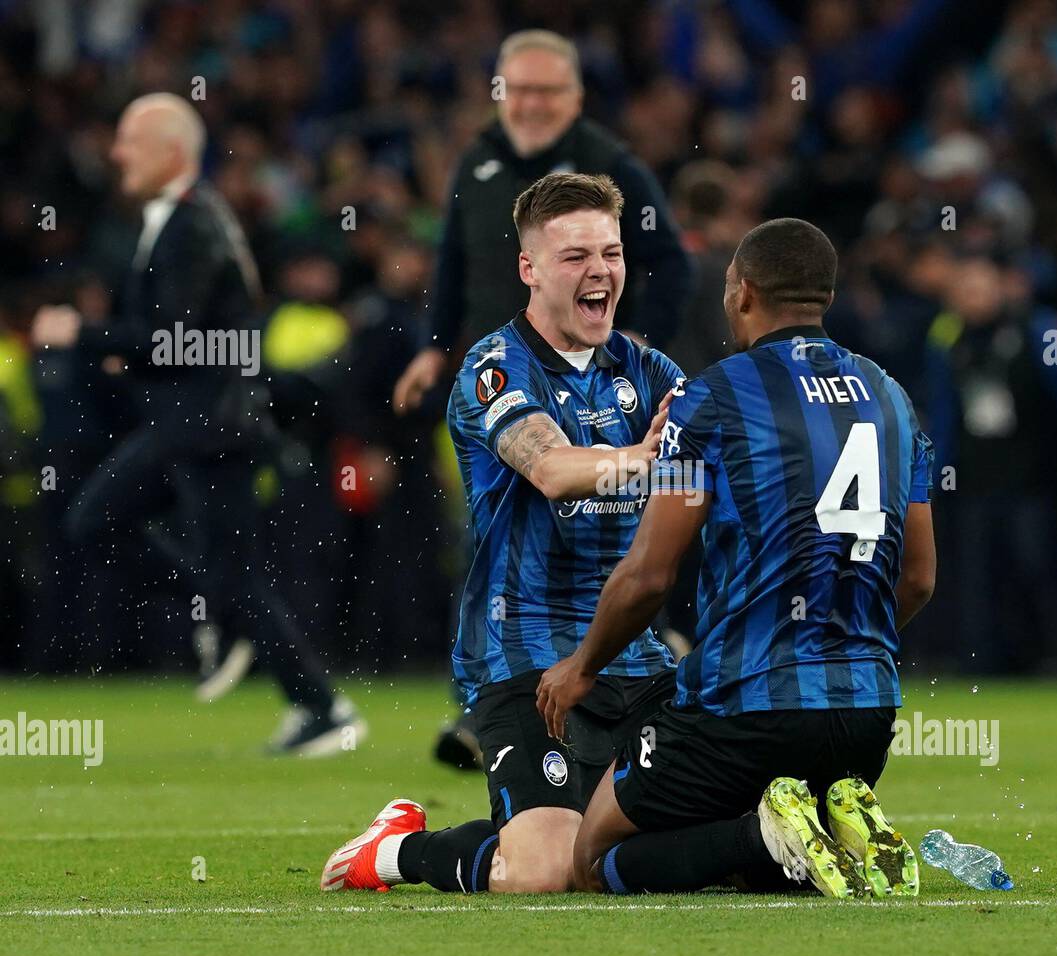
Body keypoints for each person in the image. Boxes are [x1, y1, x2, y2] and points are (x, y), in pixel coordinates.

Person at [535, 218, 936, 898]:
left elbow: (648, 576)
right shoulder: (892, 397)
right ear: (826, 297)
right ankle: (827, 830)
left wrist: (581, 667)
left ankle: (764, 834)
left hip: (747, 704)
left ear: (743, 293)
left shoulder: (708, 399)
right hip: (867, 719)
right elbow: (920, 578)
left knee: (594, 858)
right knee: (753, 864)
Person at [321, 173, 685, 894]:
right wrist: (646, 459)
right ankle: (398, 851)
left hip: (636, 656)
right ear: (530, 269)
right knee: (547, 874)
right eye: (575, 255)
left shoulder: (649, 371)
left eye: (610, 254)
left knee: (687, 843)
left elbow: (701, 491)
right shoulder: (495, 367)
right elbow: (550, 469)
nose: (600, 271)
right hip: (525, 653)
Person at [392, 29, 694, 771]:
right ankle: (494, 697)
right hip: (510, 390)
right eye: (515, 89)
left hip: (600, 389)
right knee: (501, 530)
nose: (527, 104)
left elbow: (674, 266)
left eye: (544, 91)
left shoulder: (611, 166)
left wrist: (624, 358)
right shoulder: (481, 160)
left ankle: (657, 655)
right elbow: (452, 257)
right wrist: (436, 344)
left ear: (575, 97)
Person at [30, 93, 364, 755]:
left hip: (213, 429)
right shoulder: (181, 220)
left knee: (119, 529)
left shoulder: (194, 223)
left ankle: (317, 701)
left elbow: (170, 337)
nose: (117, 151)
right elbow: (188, 338)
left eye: (131, 139)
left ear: (171, 151)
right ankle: (279, 666)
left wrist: (83, 332)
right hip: (198, 423)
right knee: (127, 534)